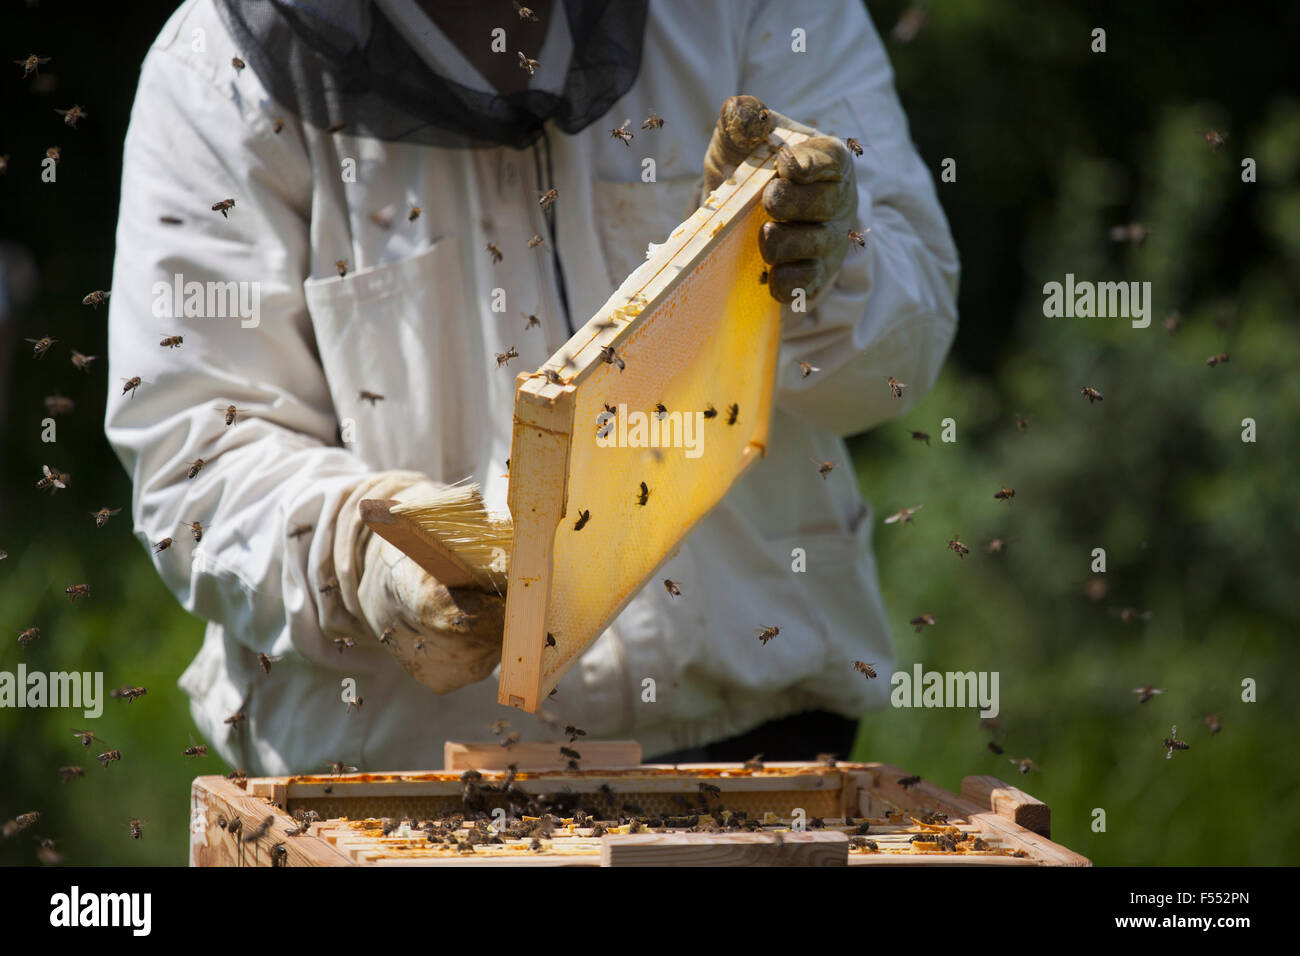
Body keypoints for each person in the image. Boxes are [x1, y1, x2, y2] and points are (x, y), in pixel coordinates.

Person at [105, 0, 958, 775]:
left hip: (764, 748)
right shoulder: (215, 74)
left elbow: (894, 368)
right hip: (411, 787)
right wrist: (365, 556)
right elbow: (197, 455)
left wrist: (823, 268)